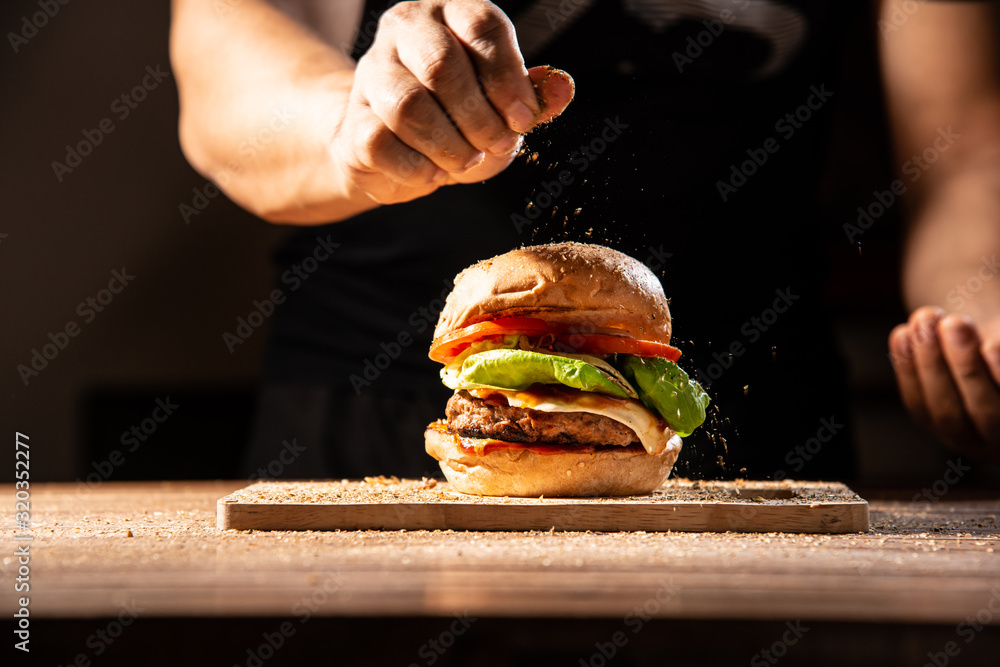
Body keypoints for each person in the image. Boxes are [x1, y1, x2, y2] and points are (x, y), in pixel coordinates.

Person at [170, 0, 1000, 480]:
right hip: (362, 416)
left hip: (764, 427)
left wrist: (981, 315)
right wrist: (352, 124)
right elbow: (225, 87)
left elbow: (962, 149)